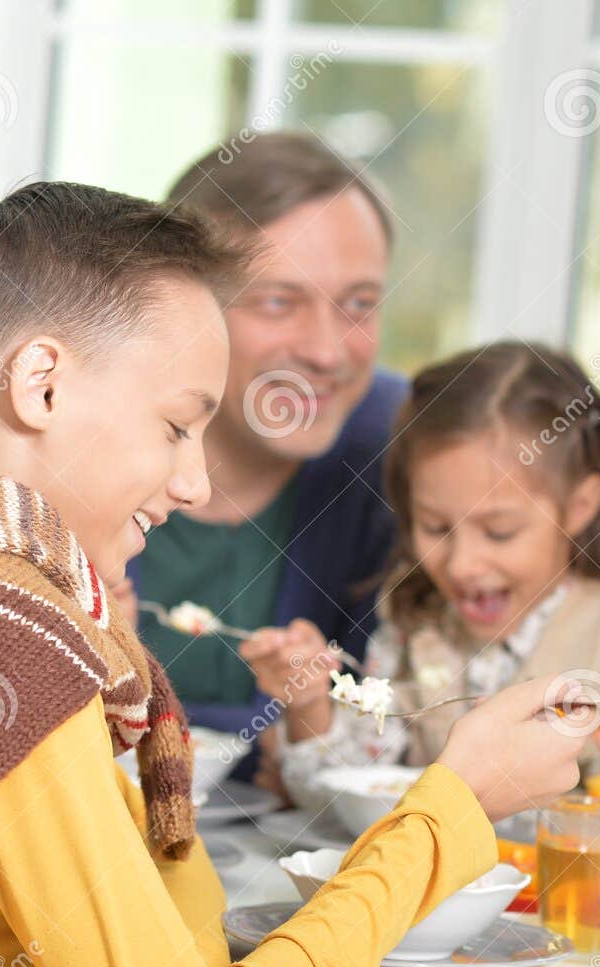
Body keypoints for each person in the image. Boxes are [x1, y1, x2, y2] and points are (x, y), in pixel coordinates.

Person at [0, 182, 582, 967]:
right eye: (175, 426)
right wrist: (456, 803)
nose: (194, 482)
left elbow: (172, 954)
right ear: (41, 385)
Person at [262, 341, 600, 884]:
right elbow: (344, 797)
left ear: (580, 506)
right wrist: (310, 706)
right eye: (435, 527)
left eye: (499, 532)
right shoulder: (418, 625)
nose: (462, 563)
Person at [127, 133, 405, 754]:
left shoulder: (403, 451)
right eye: (280, 302)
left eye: (358, 304)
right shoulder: (78, 457)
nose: (327, 351)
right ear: (183, 302)